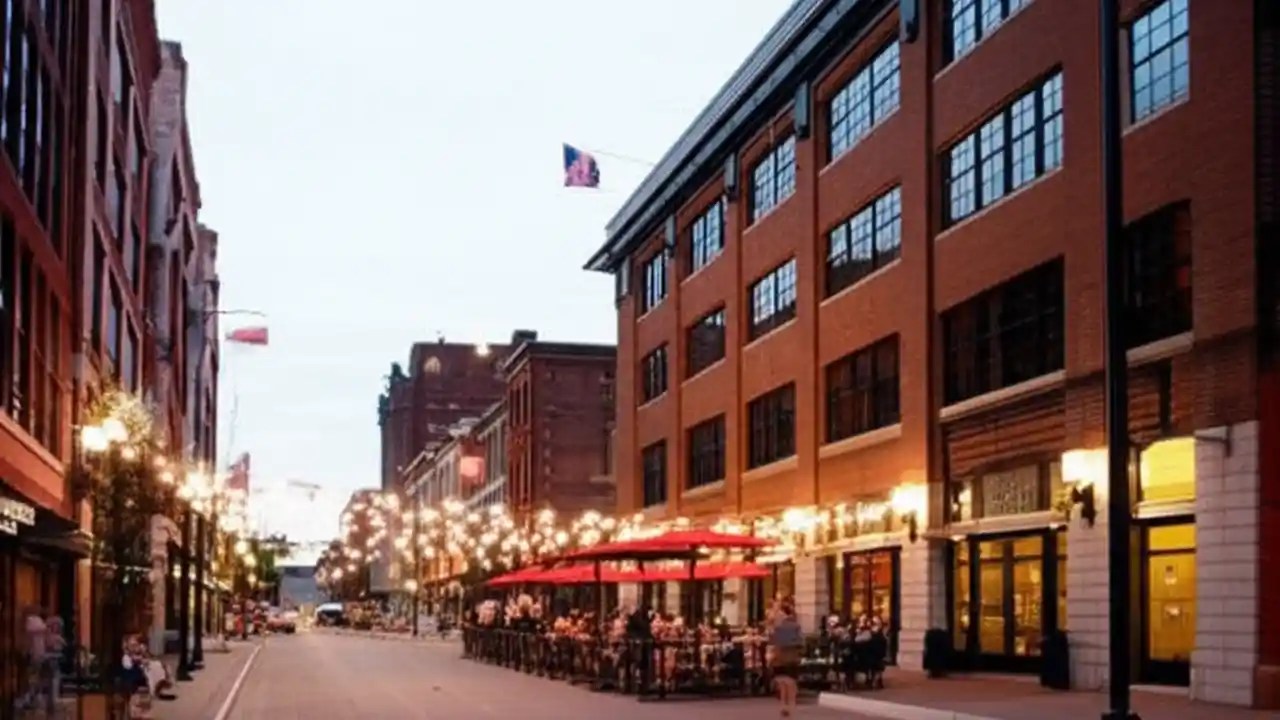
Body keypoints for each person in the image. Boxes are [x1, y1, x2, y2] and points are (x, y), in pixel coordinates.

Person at [768, 597, 804, 718]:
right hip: (792, 656)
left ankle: (784, 705)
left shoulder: (779, 626)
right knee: (790, 683)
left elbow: (773, 641)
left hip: (780, 656)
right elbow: (800, 642)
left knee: (783, 682)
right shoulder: (795, 626)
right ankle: (790, 707)